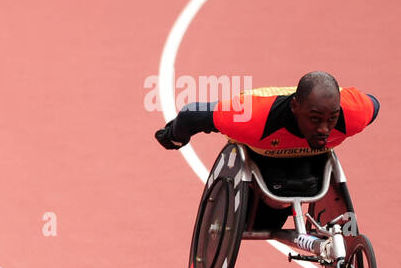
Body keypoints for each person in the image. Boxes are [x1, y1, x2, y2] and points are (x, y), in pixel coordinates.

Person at [155, 70, 379, 227]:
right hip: (262, 163)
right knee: (259, 222)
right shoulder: (253, 117)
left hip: (310, 164)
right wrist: (174, 137)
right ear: (294, 107)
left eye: (332, 119)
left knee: (278, 209)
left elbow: (374, 104)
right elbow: (193, 115)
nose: (324, 129)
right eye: (315, 119)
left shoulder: (353, 113)